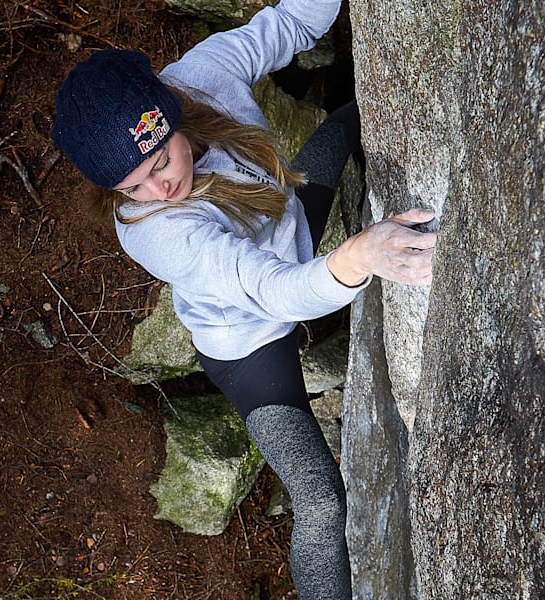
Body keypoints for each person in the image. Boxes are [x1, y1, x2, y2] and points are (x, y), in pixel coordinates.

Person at [51, 1, 435, 598]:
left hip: (289, 233)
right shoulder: (155, 230)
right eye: (132, 186)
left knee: (345, 125)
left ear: (173, 116)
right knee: (318, 502)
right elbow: (268, 291)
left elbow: (288, 25)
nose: (159, 189)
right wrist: (362, 256)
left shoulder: (202, 77)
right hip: (249, 341)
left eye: (159, 162)